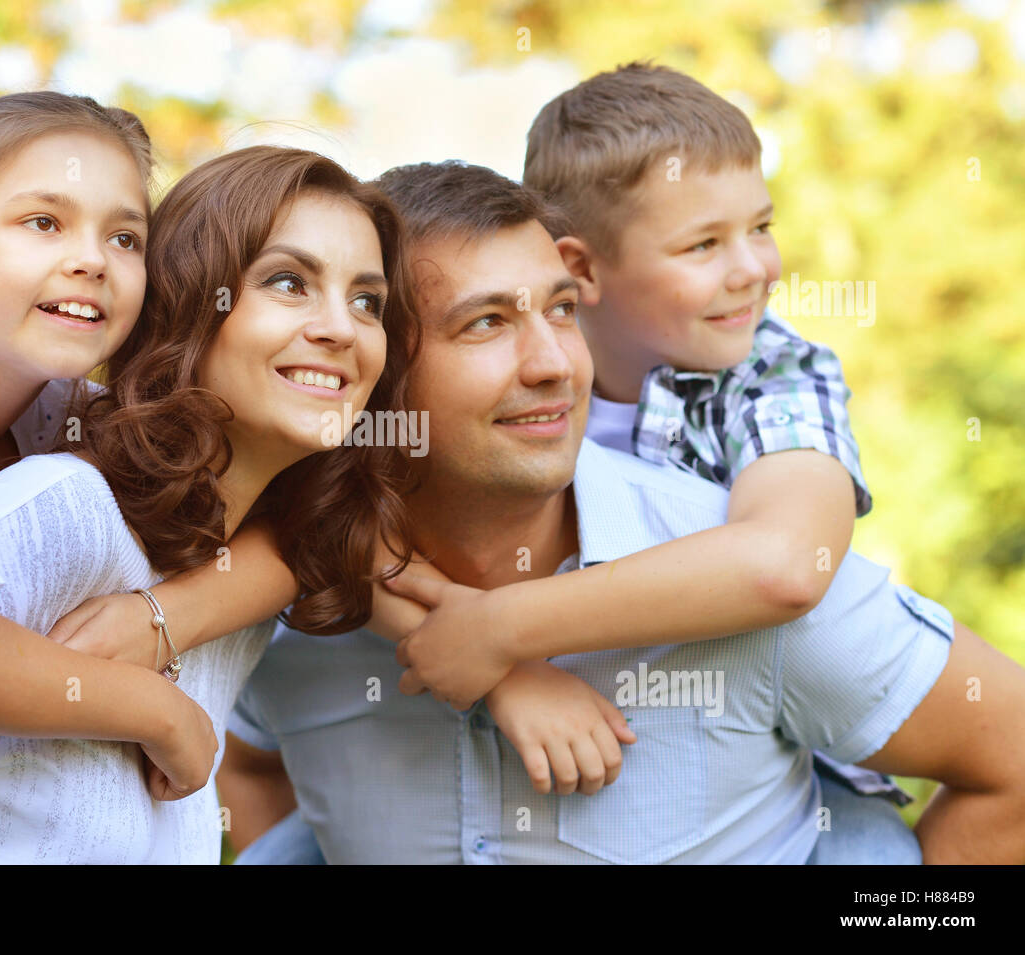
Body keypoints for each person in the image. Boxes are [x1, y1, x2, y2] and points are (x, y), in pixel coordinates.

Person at [218, 162, 1025, 864]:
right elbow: (247, 763)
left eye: (562, 310)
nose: (554, 364)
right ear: (376, 365)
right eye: (488, 322)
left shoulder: (730, 572)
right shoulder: (285, 602)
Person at [0, 142, 424, 864]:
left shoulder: (251, 568)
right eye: (288, 282)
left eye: (366, 300)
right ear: (186, 304)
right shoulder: (58, 516)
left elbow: (369, 564)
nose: (341, 328)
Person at [383, 63, 979, 862]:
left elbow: (787, 566)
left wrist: (499, 632)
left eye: (760, 228)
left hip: (802, 755)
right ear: (582, 268)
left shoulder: (774, 374)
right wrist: (506, 675)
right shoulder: (531, 375)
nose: (753, 268)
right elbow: (334, 529)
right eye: (704, 243)